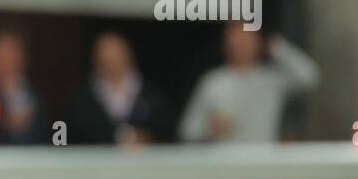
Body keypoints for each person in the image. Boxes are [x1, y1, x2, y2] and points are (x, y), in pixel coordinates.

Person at [179, 21, 320, 143]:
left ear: (258, 40)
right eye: (235, 36)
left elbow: (310, 77)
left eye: (247, 36)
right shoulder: (213, 81)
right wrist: (209, 129)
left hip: (263, 164)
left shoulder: (272, 80)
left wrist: (277, 46)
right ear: (226, 42)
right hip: (224, 166)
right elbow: (188, 130)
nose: (241, 43)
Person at [68, 31, 174, 146]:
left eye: (116, 56)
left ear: (128, 55)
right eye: (105, 59)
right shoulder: (82, 101)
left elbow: (168, 135)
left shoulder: (153, 96)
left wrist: (147, 140)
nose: (111, 64)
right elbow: (72, 140)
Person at [0, 30, 44, 145]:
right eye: (1, 58)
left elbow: (52, 141)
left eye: (12, 57)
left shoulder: (36, 98)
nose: (7, 64)